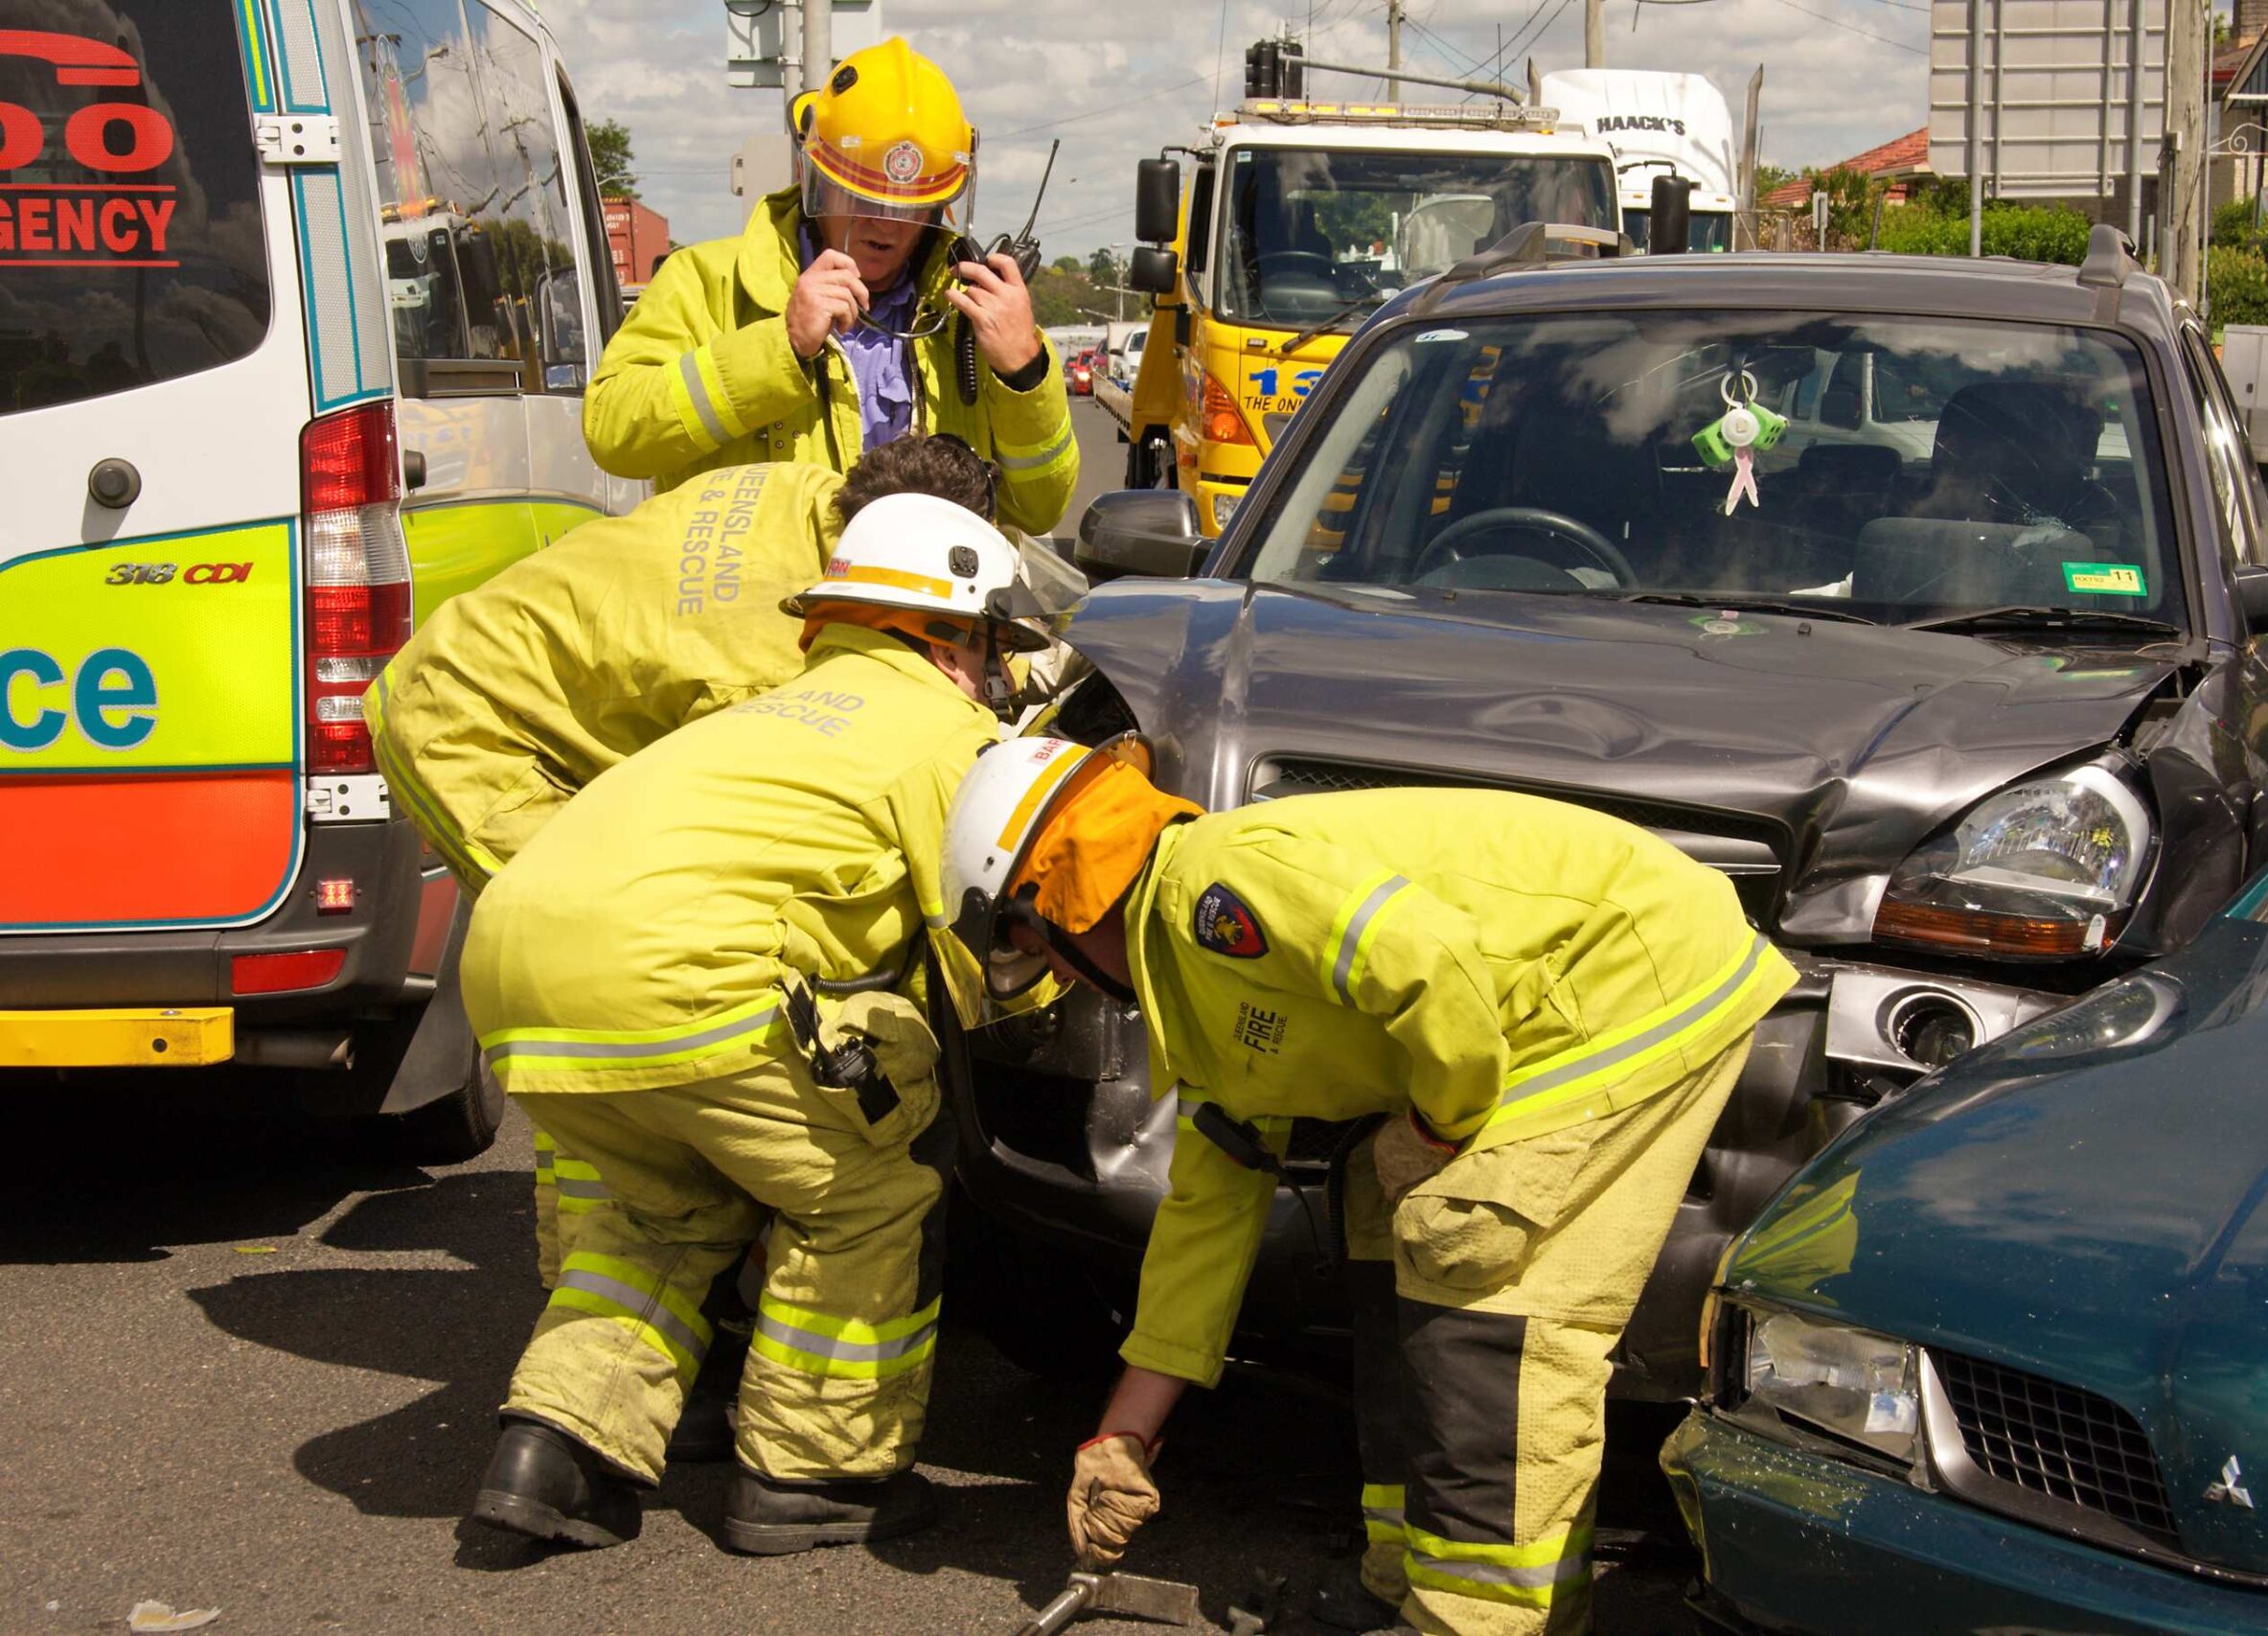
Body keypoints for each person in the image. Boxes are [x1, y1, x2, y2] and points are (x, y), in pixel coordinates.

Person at [936, 742, 1798, 1635]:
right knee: (1382, 1238)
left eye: (1043, 948)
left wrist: (1435, 1128)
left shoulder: (1217, 888)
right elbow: (1207, 1213)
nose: (1063, 974)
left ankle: (1481, 1619)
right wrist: (1123, 1434)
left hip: (1626, 980)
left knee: (1477, 1277)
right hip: (1542, 1005)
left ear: (1063, 892)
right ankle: (1399, 1583)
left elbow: (1434, 967)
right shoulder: (1183, 977)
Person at [460, 496, 1073, 1555]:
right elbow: (984, 943)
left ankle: (555, 1453)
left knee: (664, 1211)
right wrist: (1054, 1009)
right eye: (986, 647)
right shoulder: (941, 733)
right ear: (945, 638)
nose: (993, 675)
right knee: (867, 1191)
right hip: (677, 989)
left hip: (514, 981)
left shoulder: (757, 714)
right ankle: (816, 1476)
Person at [365, 435, 1010, 1294]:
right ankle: (598, 1284)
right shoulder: (764, 659)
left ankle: (657, 1257)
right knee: (607, 1001)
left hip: (491, 682)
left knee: (618, 1012)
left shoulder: (812, 496)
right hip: (469, 736)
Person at [583, 36, 1079, 534]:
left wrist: (1023, 374)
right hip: (756, 609)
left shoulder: (963, 315)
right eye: (863, 200)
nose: (885, 225)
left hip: (917, 607)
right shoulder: (705, 280)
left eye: (908, 209)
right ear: (814, 178)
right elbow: (612, 432)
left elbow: (1038, 511)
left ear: (938, 206)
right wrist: (782, 346)